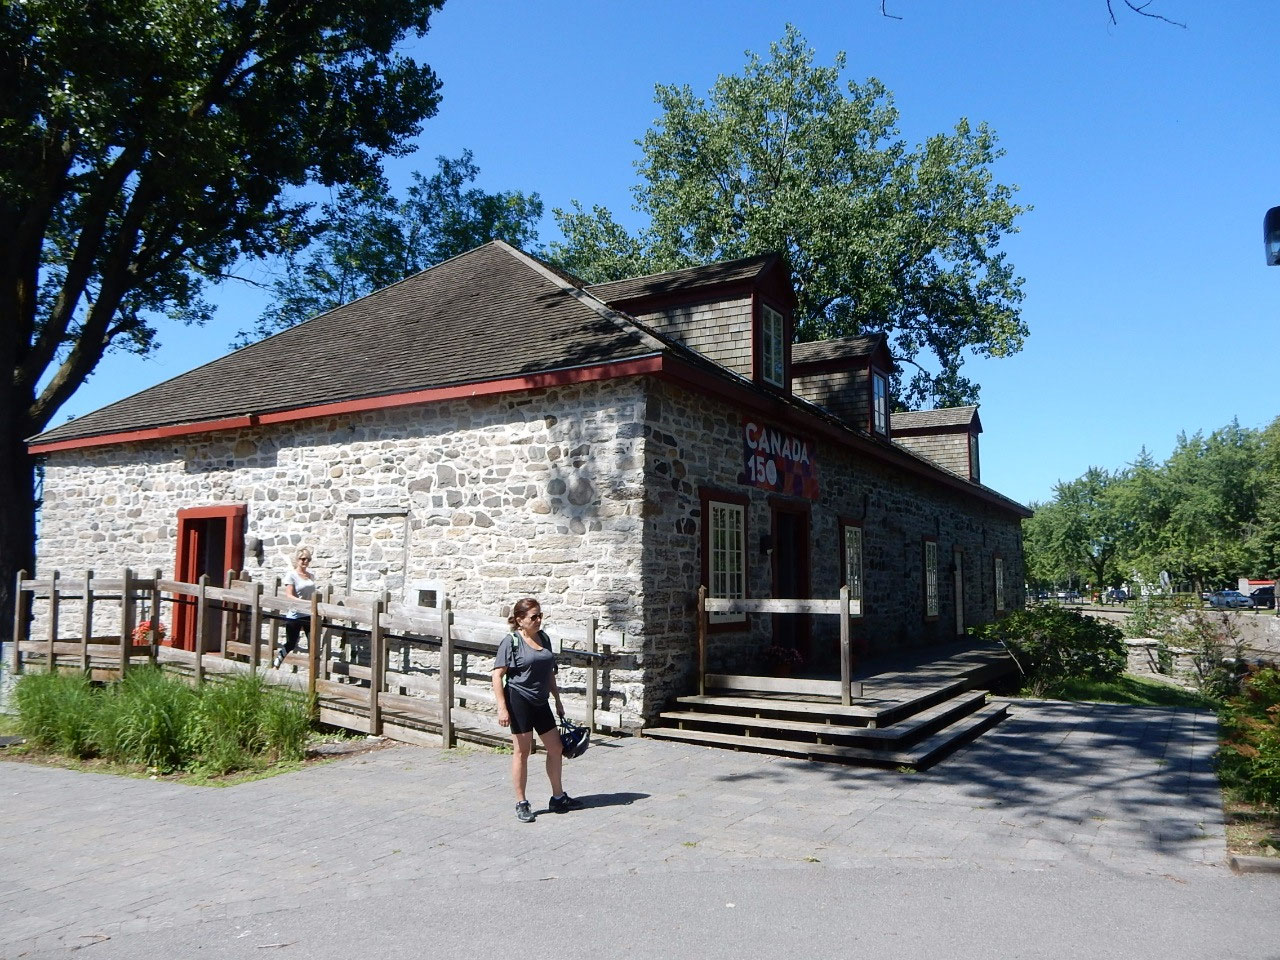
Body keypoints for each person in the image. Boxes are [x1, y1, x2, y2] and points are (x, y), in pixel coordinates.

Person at [491, 597, 583, 823]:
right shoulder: (511, 641)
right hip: (519, 701)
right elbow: (497, 675)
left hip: (541, 702)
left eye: (540, 615)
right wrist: (502, 708)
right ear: (520, 620)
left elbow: (549, 672)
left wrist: (558, 700)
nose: (539, 620)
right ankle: (521, 803)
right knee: (522, 752)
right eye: (534, 617)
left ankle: (558, 797)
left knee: (556, 748)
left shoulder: (544, 639)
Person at [274, 547, 317, 669]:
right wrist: (304, 603)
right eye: (302, 559)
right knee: (291, 643)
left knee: (313, 644)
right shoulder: (291, 575)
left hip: (309, 614)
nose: (305, 562)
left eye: (308, 559)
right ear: (297, 560)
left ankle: (313, 671)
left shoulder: (311, 576)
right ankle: (277, 663)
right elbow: (289, 596)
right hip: (296, 614)